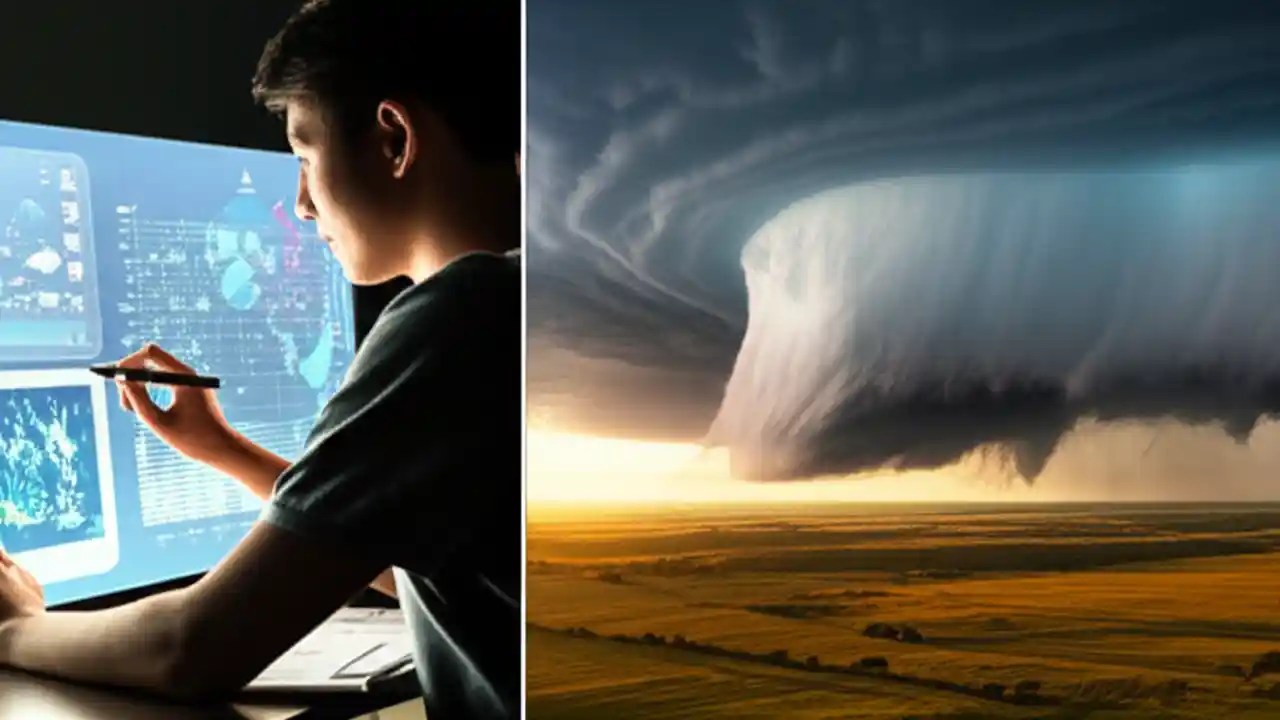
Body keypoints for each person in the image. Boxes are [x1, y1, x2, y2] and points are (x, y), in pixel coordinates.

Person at [0, 1, 521, 718]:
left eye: (304, 157)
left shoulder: (463, 314)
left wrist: (15, 626)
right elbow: (442, 567)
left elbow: (193, 649)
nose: (303, 205)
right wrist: (225, 450)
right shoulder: (541, 297)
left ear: (393, 140)